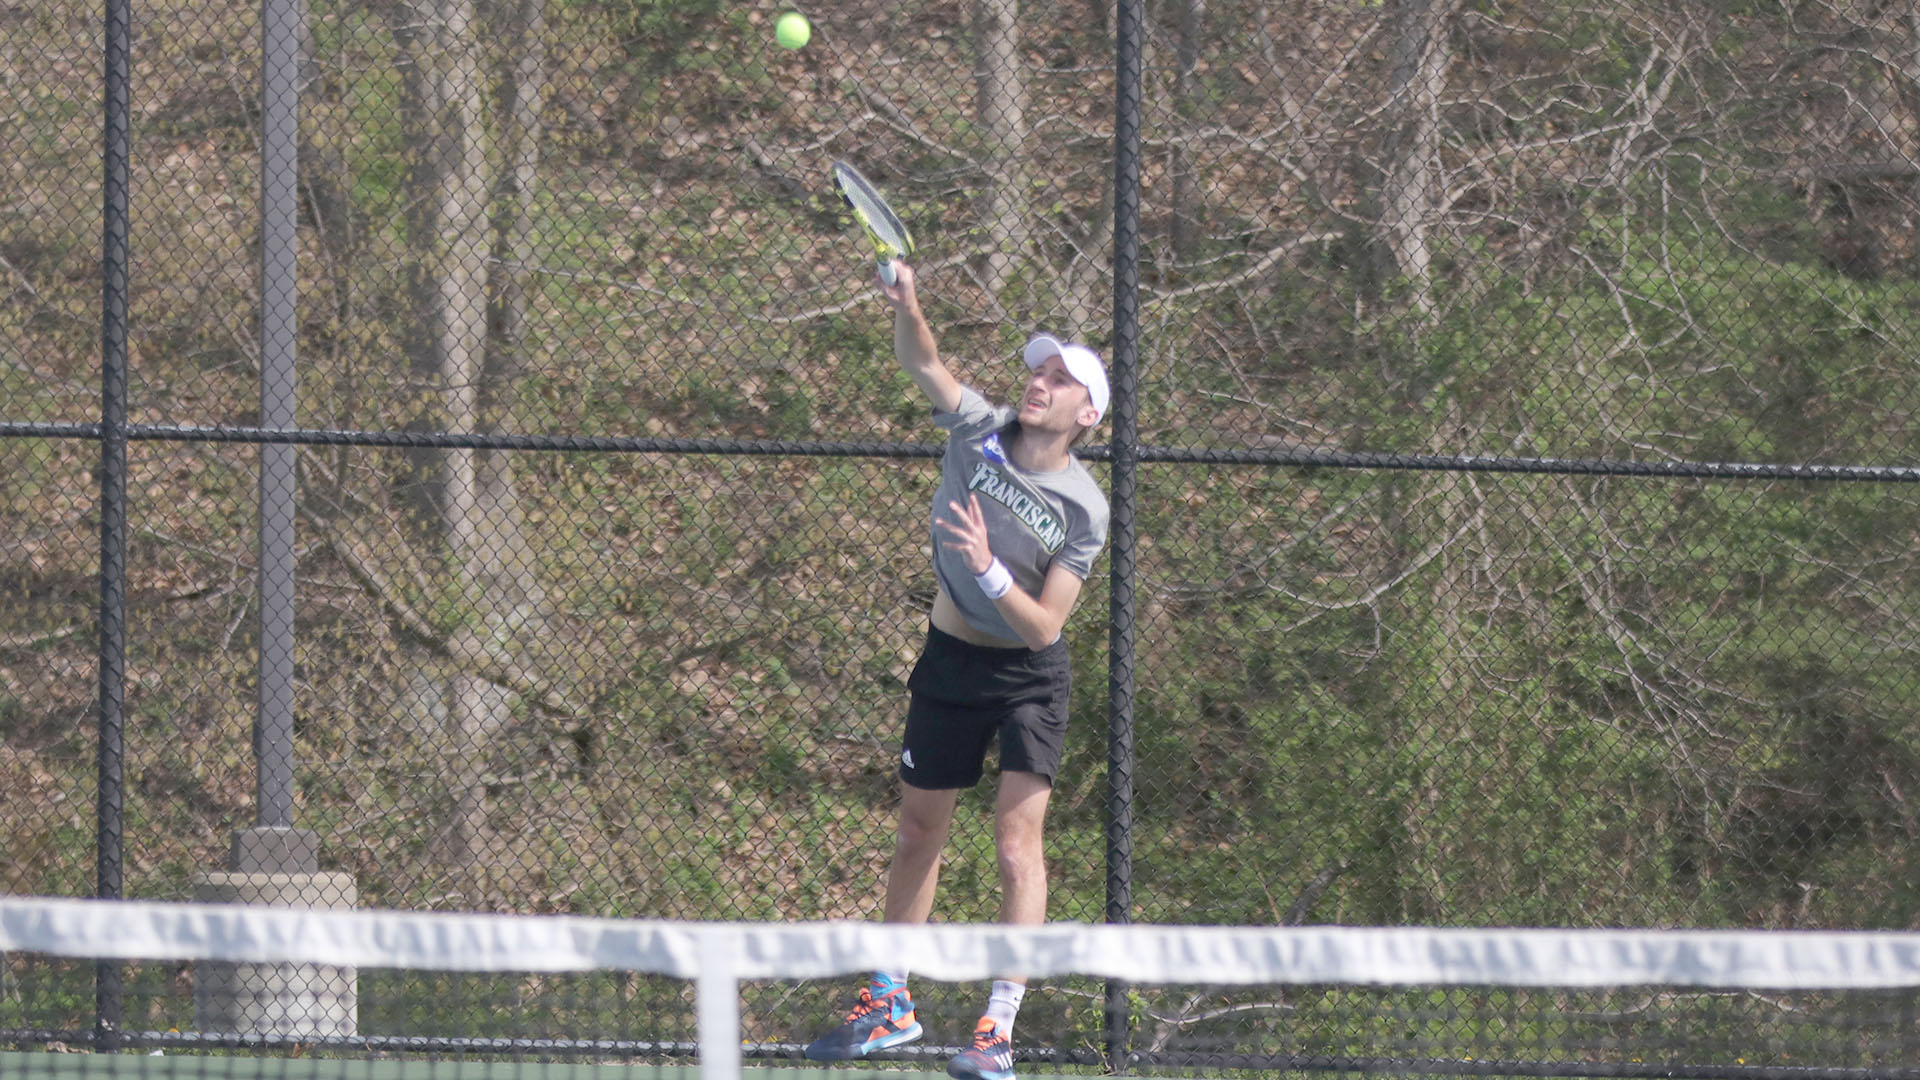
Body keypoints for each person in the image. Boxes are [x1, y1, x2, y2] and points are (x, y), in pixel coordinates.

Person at [803, 259, 1111, 1080]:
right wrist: (909, 306)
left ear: (1089, 413)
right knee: (917, 831)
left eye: (1060, 378)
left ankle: (996, 1029)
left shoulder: (1086, 507)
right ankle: (891, 1000)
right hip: (948, 663)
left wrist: (984, 569)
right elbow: (923, 362)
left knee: (1016, 845)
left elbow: (1045, 624)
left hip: (1027, 679)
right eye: (1039, 369)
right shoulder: (979, 428)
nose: (1040, 382)